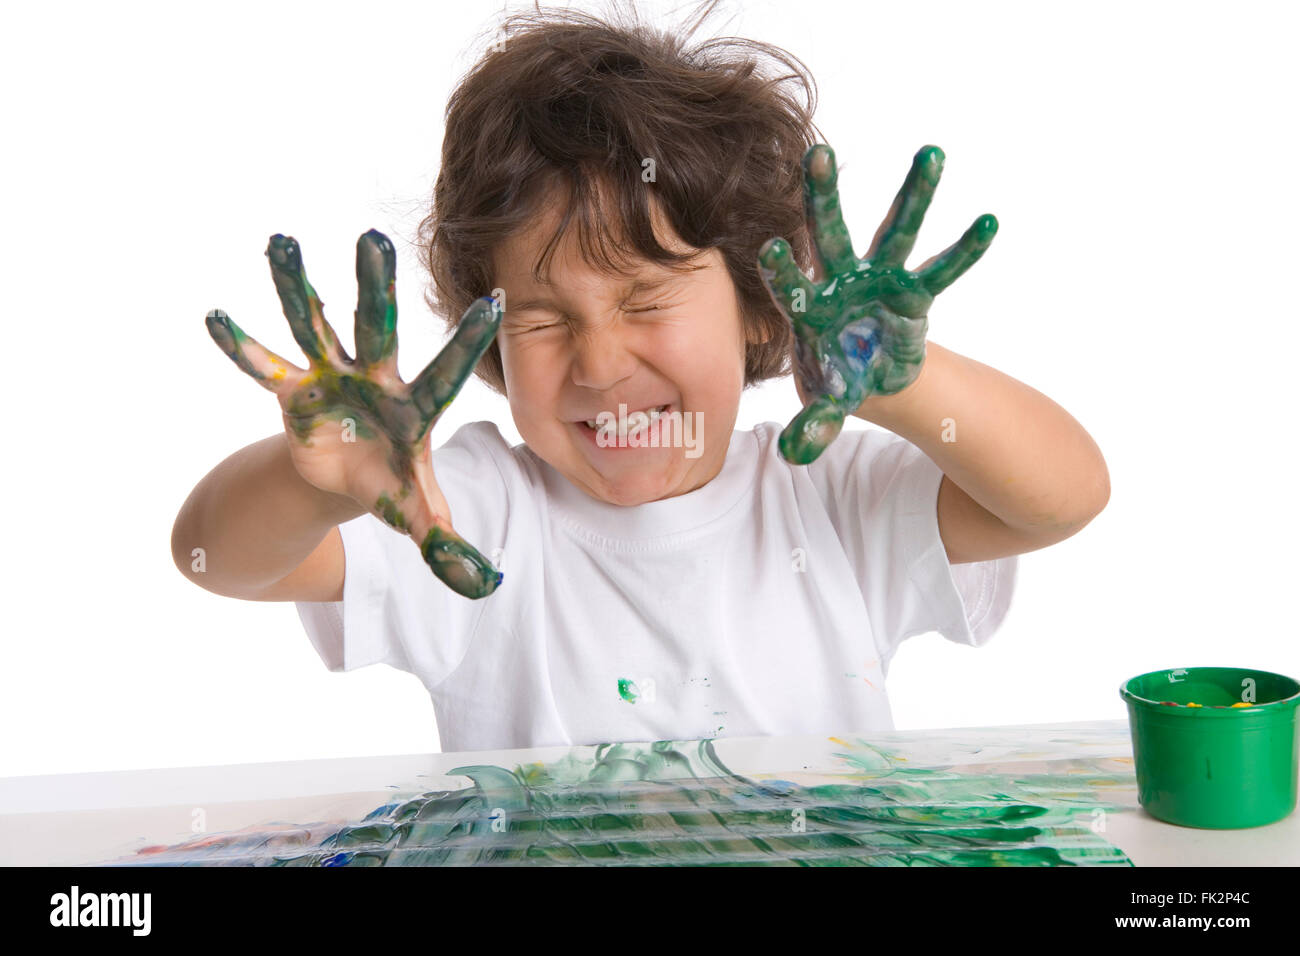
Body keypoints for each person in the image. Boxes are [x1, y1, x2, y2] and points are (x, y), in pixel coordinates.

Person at [172, 3, 1108, 754]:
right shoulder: (471, 513)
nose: (601, 362)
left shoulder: (829, 502)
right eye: (542, 317)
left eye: (648, 300)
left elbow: (1061, 498)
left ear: (759, 305)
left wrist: (903, 384)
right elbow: (219, 559)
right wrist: (316, 479)